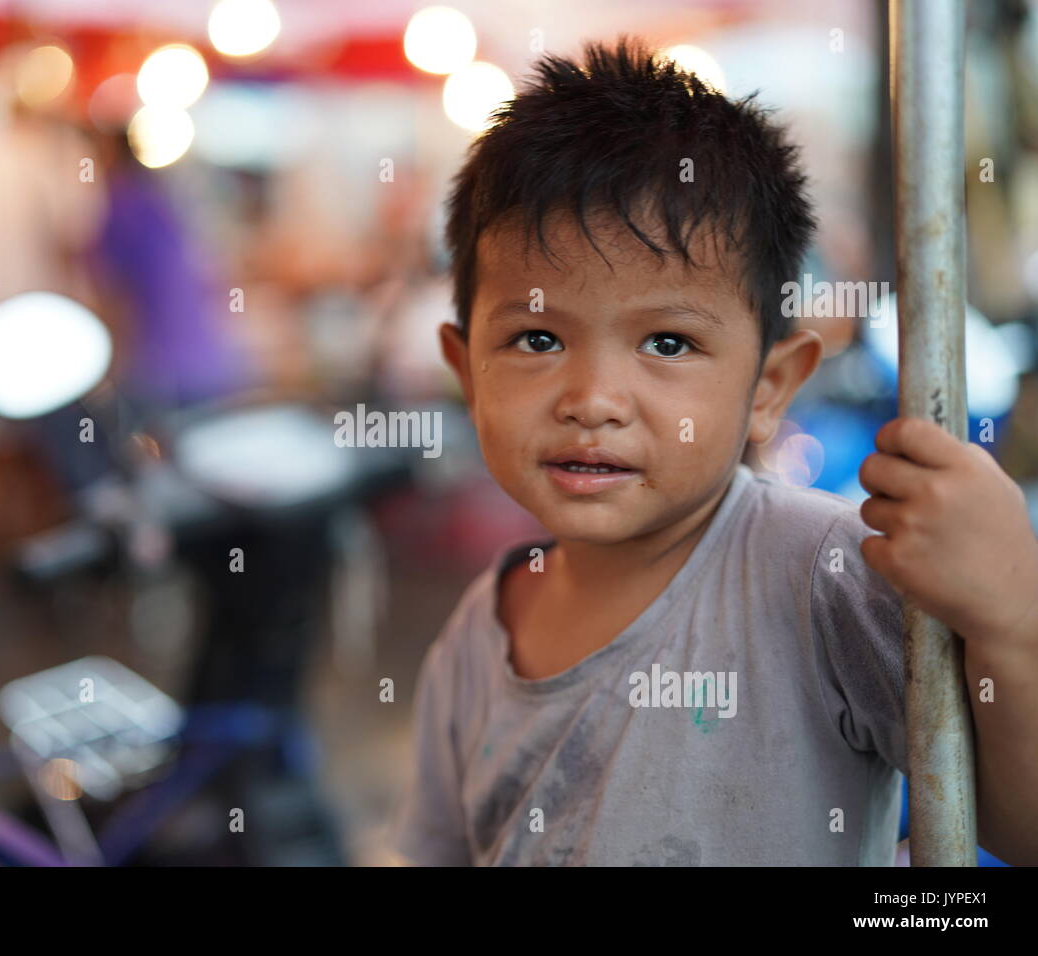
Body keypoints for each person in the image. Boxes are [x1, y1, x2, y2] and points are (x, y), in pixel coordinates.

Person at [386, 38, 1038, 866]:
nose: (592, 400)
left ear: (768, 388)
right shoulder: (473, 642)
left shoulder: (827, 577)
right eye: (538, 336)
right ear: (463, 371)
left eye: (666, 342)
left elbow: (1021, 828)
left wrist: (1013, 625)